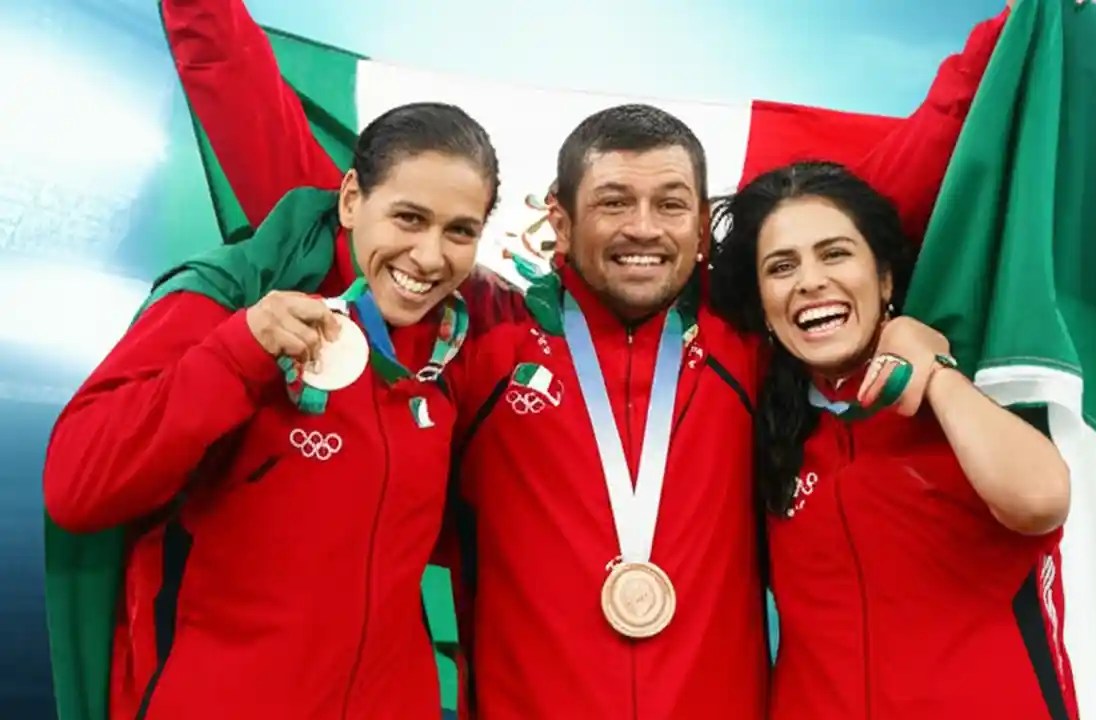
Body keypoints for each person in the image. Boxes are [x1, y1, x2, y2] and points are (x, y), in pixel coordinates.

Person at [156, 1, 1013, 717]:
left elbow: (885, 194)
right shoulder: (473, 336)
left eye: (670, 203)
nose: (643, 226)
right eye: (613, 202)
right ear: (559, 220)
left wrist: (1010, 31)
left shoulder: (748, 339)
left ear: (700, 223)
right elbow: (297, 170)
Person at [42, 101, 500, 718]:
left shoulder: (459, 351)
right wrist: (238, 355)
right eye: (409, 218)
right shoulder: (235, 303)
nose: (428, 256)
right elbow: (78, 485)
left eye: (459, 231)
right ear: (350, 200)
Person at [708, 160, 1076, 719]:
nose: (810, 280)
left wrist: (934, 370)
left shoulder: (966, 398)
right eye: (782, 266)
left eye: (835, 253)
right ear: (763, 303)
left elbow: (1040, 502)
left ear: (884, 278)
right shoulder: (764, 428)